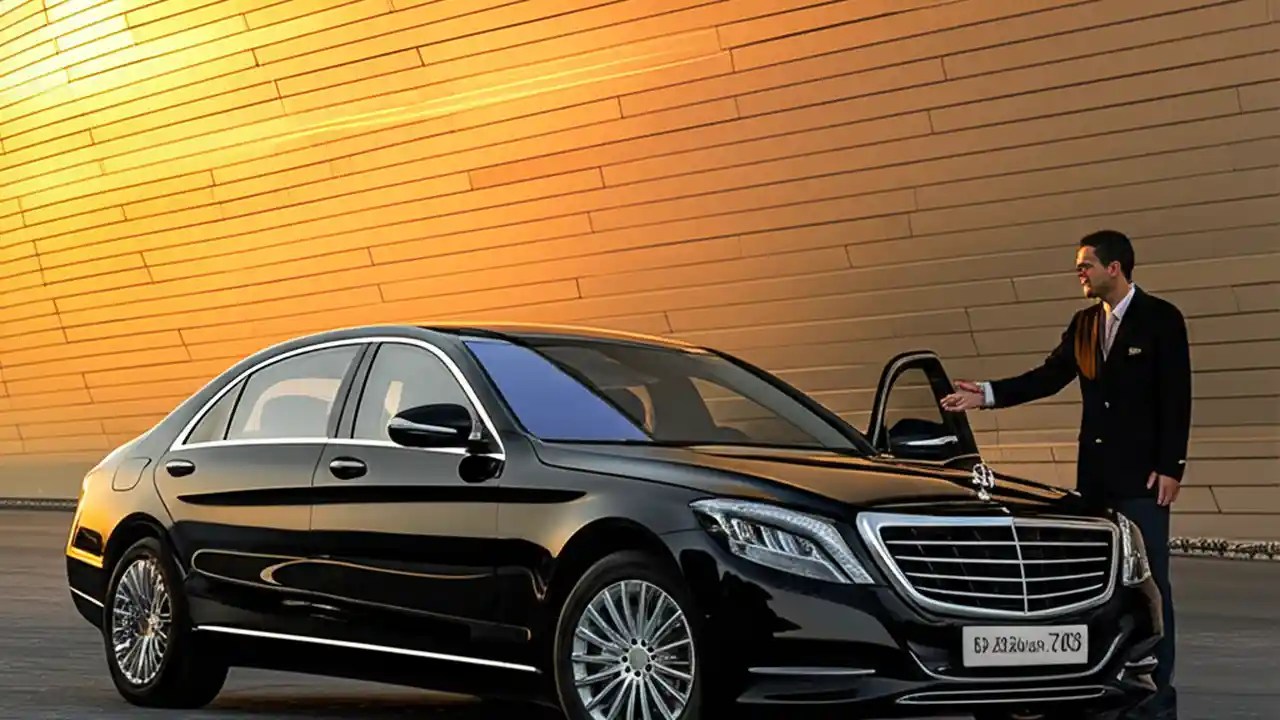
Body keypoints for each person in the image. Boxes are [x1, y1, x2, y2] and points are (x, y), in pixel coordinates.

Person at [941, 230, 1190, 720]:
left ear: (1114, 268)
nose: (1080, 273)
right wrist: (986, 394)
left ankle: (1155, 698)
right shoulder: (1082, 325)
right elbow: (1048, 376)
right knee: (1095, 587)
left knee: (1150, 585)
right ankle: (1097, 685)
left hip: (1143, 482)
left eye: (1086, 265)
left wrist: (1171, 467)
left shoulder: (1161, 319)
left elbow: (1176, 397)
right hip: (1094, 482)